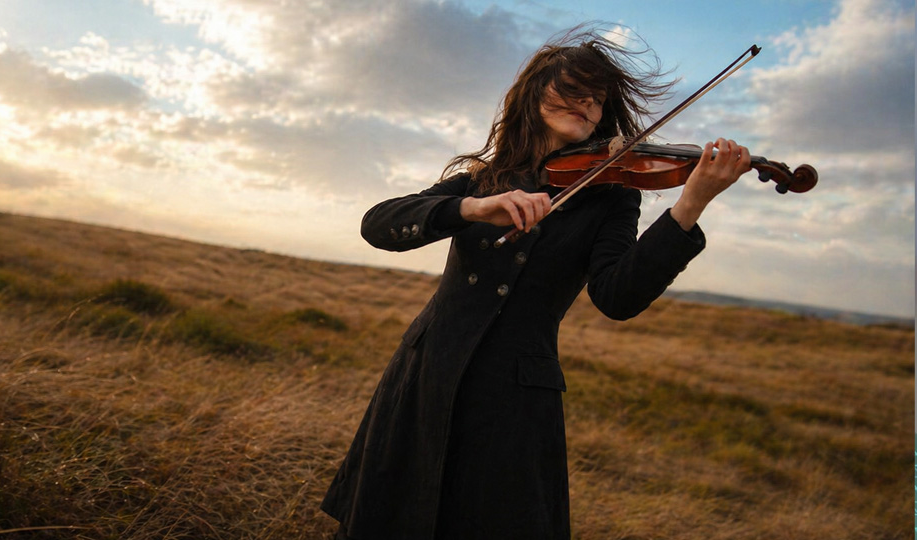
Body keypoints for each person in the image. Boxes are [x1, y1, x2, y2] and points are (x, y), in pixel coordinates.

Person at [321, 27, 752, 540]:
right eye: (573, 89)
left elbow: (617, 297)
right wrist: (473, 207)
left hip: (515, 396)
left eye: (597, 99)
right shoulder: (485, 179)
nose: (587, 105)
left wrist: (690, 204)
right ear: (535, 93)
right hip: (427, 372)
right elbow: (379, 225)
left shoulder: (611, 194)